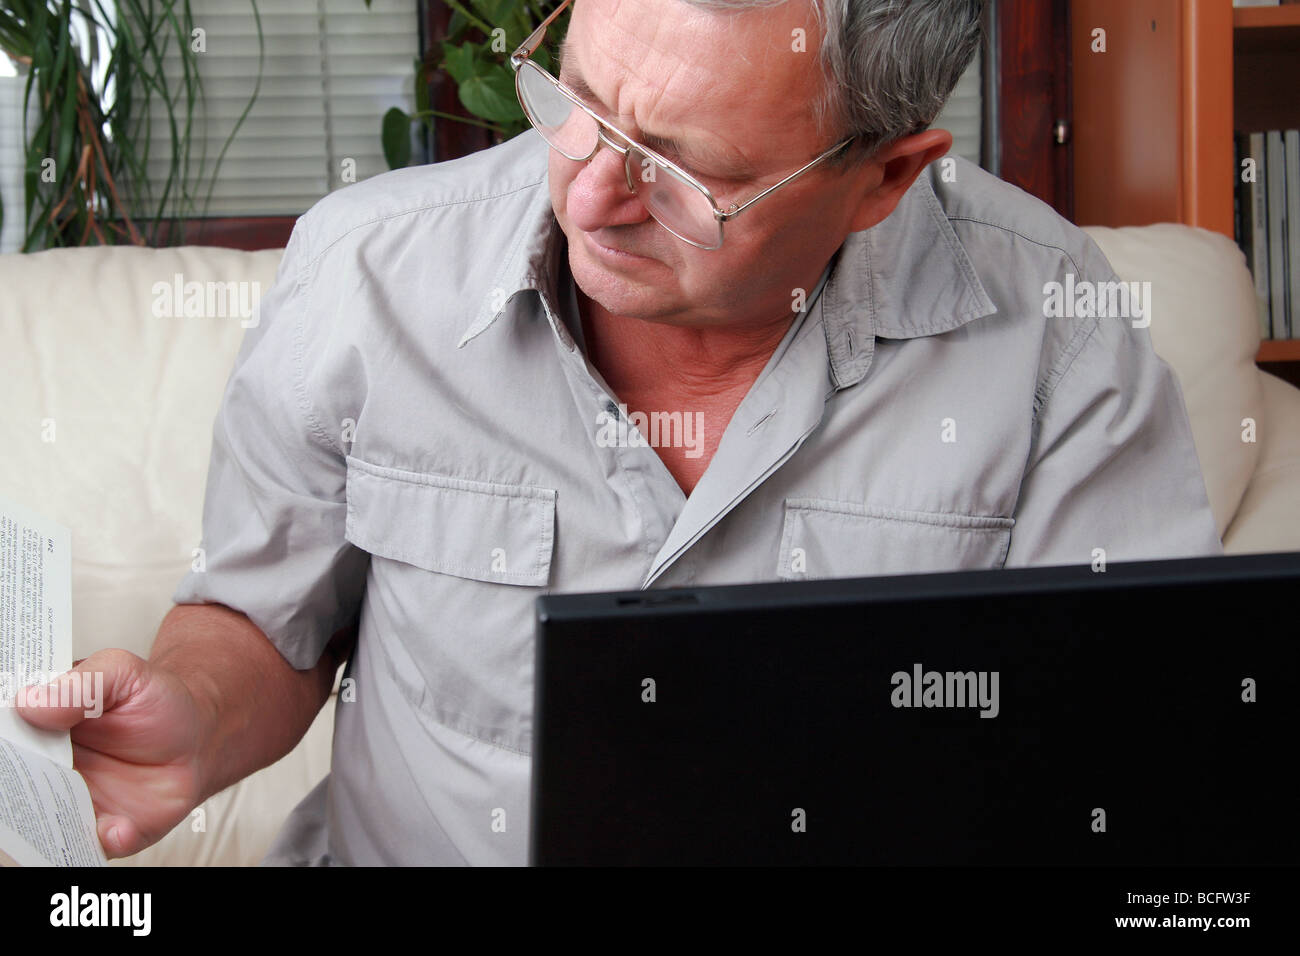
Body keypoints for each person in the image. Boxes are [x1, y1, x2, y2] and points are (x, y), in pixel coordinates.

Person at [18, 0, 1221, 865]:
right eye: (578, 100)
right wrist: (191, 707)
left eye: (681, 168)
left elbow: (1140, 750)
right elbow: (266, 622)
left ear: (885, 177)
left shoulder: (1052, 334)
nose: (586, 190)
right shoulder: (369, 269)